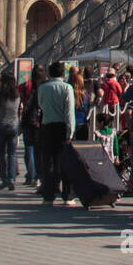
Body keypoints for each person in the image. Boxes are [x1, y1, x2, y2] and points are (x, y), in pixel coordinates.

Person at [37, 61, 76, 206]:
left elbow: (40, 105)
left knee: (48, 162)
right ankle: (68, 195)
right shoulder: (67, 88)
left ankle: (48, 195)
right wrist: (70, 133)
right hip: (62, 127)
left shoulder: (42, 88)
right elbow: (69, 112)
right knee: (65, 162)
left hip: (47, 126)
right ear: (62, 73)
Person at [0, 76, 22, 191]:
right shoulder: (17, 95)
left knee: (0, 153)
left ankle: (4, 179)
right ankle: (12, 179)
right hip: (14, 125)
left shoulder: (0, 95)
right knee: (12, 154)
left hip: (1, 125)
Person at [22, 67, 45, 186]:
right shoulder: (46, 89)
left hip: (30, 122)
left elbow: (27, 107)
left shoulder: (33, 90)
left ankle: (31, 175)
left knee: (29, 149)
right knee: (39, 151)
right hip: (42, 123)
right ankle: (39, 176)